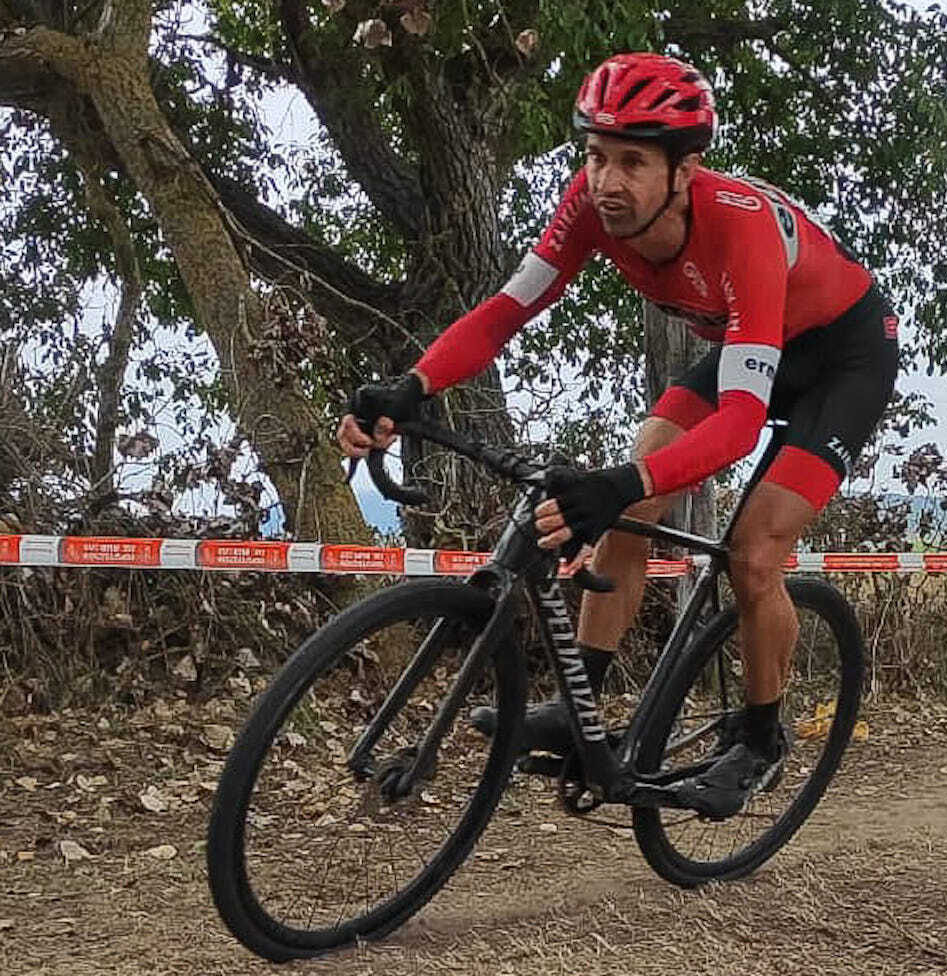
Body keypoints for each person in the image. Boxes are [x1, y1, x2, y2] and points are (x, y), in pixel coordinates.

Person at [339, 52, 899, 817]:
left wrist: (618, 484)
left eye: (632, 161)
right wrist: (413, 385)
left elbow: (739, 423)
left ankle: (761, 737)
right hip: (746, 350)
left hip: (843, 358)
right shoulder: (589, 206)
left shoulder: (739, 231)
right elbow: (506, 311)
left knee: (753, 551)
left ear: (685, 170)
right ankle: (581, 709)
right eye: (596, 155)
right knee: (635, 501)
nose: (606, 181)